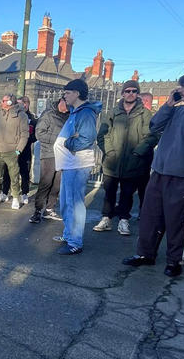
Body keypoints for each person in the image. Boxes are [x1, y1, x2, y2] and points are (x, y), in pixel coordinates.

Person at [123, 71, 184, 277]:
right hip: (159, 173)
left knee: (177, 222)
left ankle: (175, 260)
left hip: (183, 179)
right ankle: (145, 254)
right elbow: (154, 126)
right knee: (150, 218)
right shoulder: (176, 111)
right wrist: (169, 104)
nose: (180, 90)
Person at [93, 80, 159, 236]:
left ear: (137, 94)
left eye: (134, 91)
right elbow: (102, 134)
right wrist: (109, 152)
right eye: (127, 91)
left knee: (127, 193)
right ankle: (106, 218)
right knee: (109, 192)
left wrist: (138, 153)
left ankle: (124, 219)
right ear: (122, 93)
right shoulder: (113, 113)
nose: (131, 93)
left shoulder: (145, 114)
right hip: (112, 162)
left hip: (133, 163)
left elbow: (152, 136)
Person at [52, 80, 102, 255]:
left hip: (77, 164)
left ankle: (75, 242)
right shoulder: (76, 112)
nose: (64, 96)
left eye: (67, 92)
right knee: (67, 203)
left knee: (74, 204)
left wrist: (68, 142)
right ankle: (69, 235)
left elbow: (87, 138)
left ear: (77, 93)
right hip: (69, 164)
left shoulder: (86, 113)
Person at [0, 94, 30, 210]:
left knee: (14, 176)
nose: (1, 102)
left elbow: (24, 135)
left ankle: (16, 198)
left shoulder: (22, 116)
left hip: (12, 152)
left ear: (10, 103)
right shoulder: (0, 114)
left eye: (4, 101)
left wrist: (18, 150)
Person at [30, 98, 69, 223]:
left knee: (57, 184)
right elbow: (39, 134)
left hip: (62, 155)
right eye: (66, 103)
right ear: (60, 101)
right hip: (49, 153)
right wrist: (58, 141)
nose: (68, 106)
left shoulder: (69, 116)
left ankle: (49, 209)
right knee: (45, 183)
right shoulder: (48, 114)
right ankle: (37, 211)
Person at [0, 96, 37, 204]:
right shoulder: (13, 117)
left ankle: (24, 194)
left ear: (27, 104)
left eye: (24, 104)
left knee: (24, 172)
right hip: (12, 149)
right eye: (20, 104)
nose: (22, 106)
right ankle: (5, 192)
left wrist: (26, 139)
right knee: (7, 171)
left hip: (25, 150)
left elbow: (36, 135)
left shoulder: (33, 119)